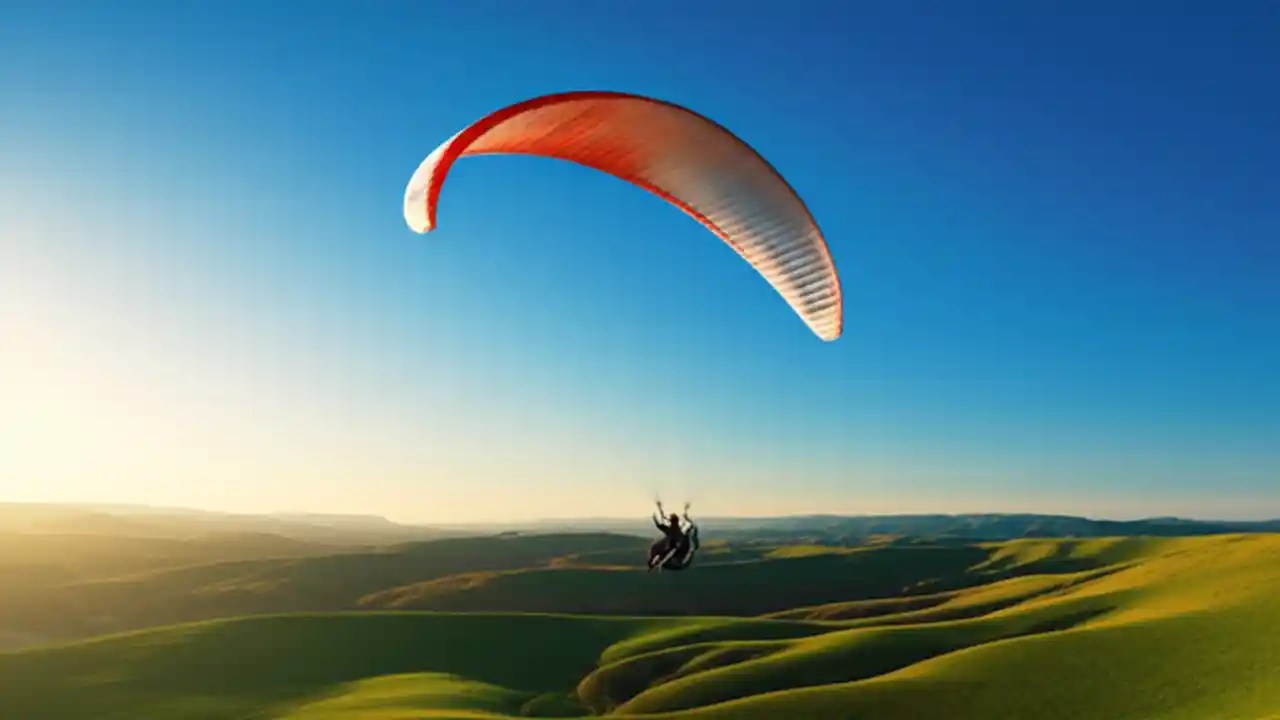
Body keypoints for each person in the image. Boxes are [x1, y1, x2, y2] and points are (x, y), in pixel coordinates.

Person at [648, 502, 693, 571]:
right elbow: (659, 525)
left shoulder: (673, 530)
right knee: (658, 548)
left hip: (675, 547)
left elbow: (659, 525)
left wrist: (656, 519)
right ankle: (655, 563)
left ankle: (656, 563)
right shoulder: (674, 529)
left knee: (664, 550)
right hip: (670, 546)